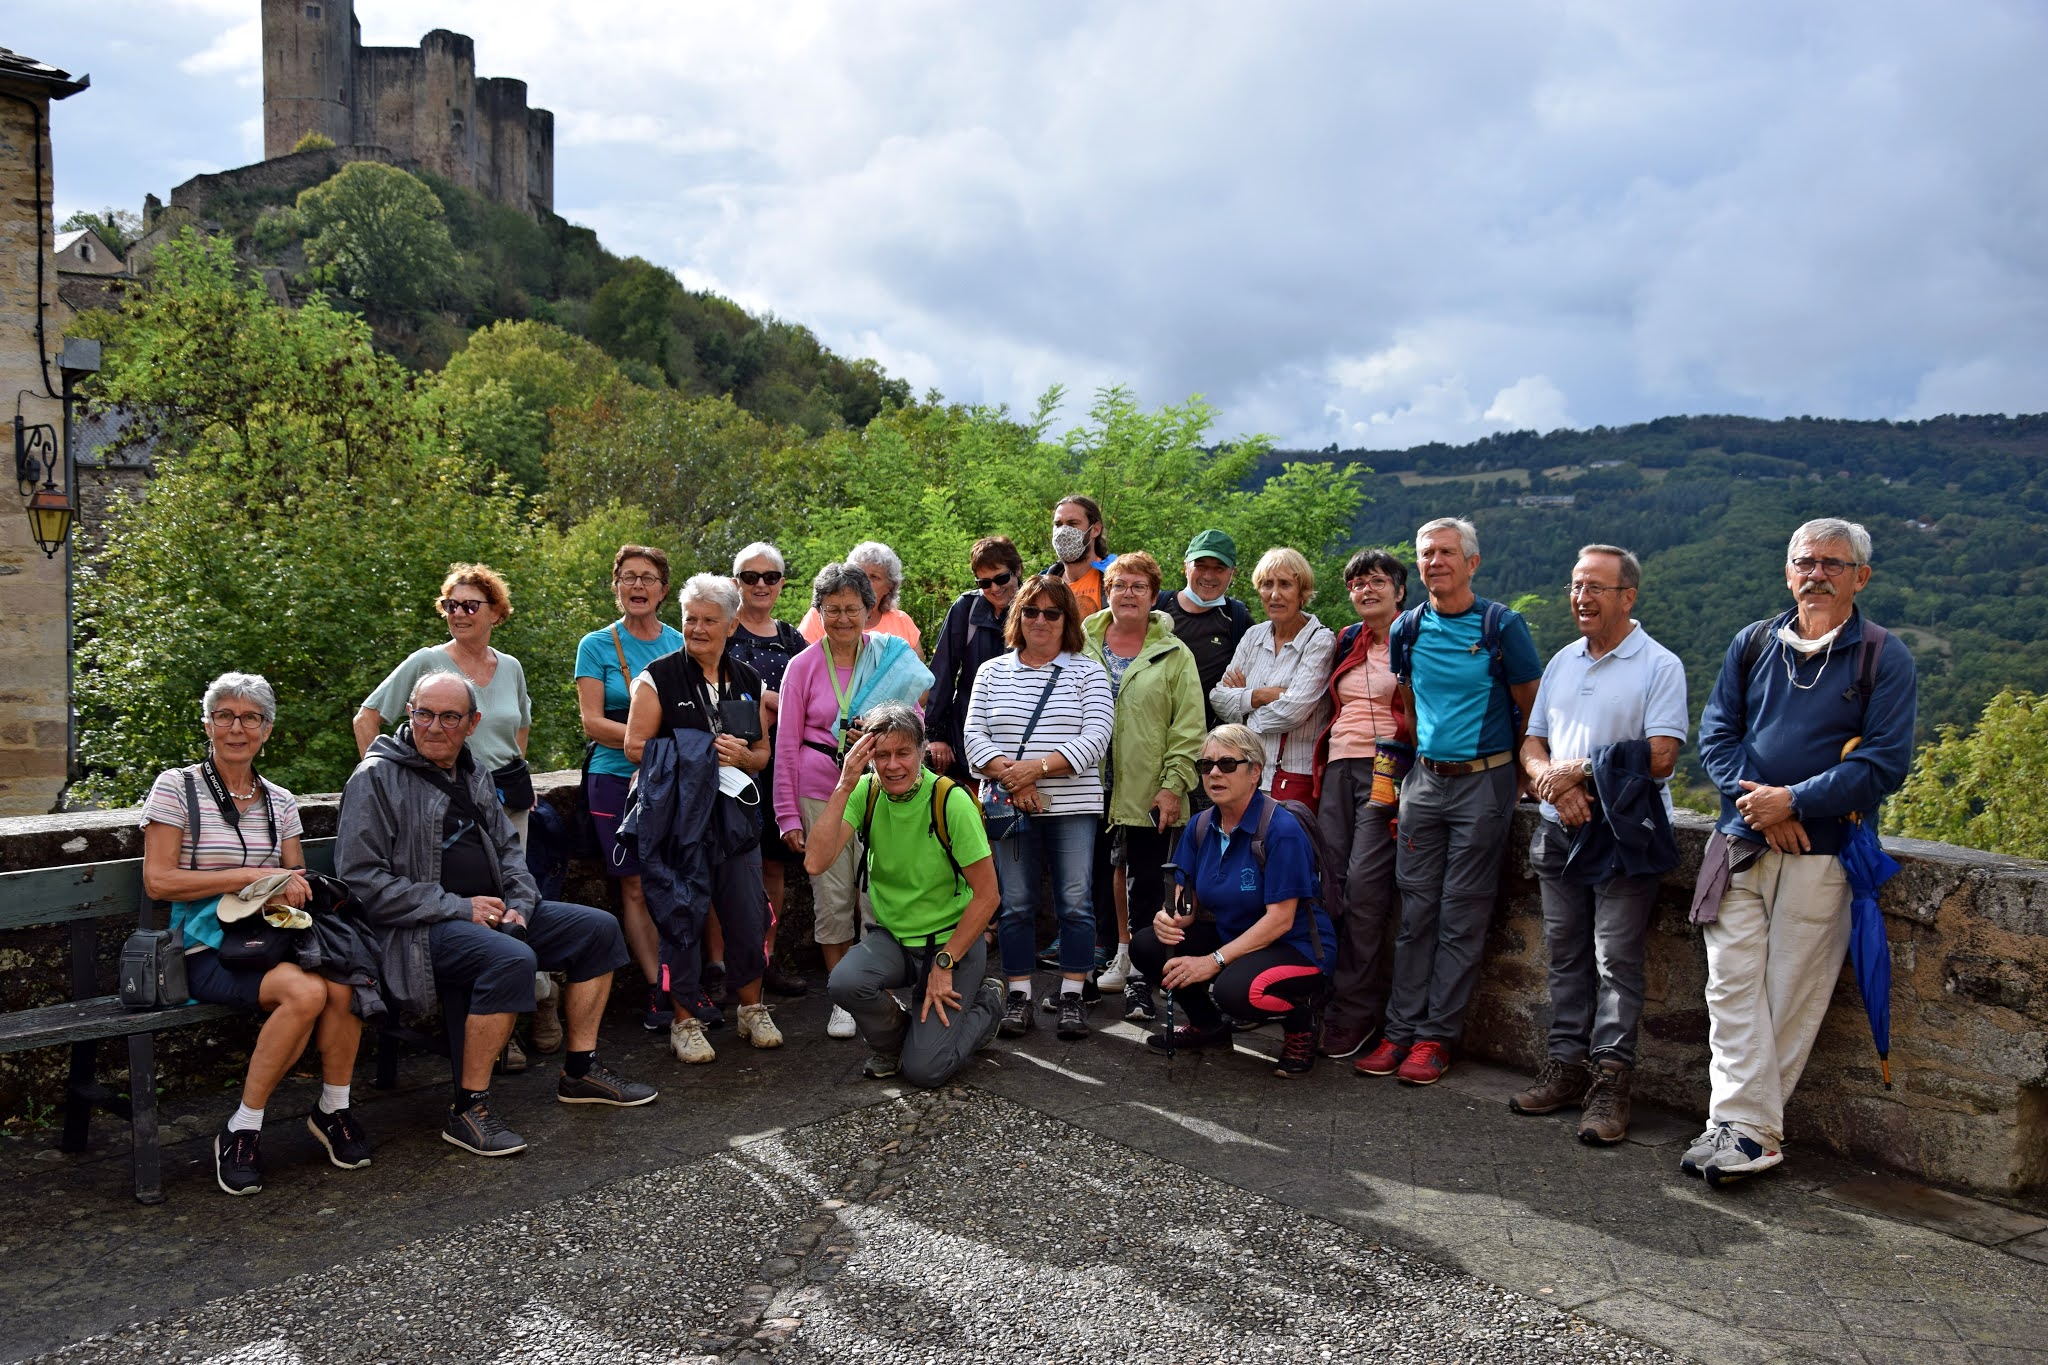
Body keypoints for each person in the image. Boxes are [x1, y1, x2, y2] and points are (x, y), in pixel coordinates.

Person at [338, 672, 656, 1158]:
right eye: (424, 713)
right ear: (409, 714)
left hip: (491, 913)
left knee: (598, 929)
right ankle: (468, 1108)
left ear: (472, 723)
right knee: (509, 959)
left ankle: (580, 1071)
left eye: (449, 717)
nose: (434, 726)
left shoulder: (474, 771)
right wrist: (459, 907)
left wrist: (521, 906)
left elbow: (511, 853)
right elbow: (362, 883)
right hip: (416, 929)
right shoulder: (376, 778)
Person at [1688, 518, 1916, 1188]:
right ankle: (1746, 1130)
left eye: (1833, 564)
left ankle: (1741, 1131)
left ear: (1860, 577)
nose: (1817, 574)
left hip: (1823, 854)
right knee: (1731, 986)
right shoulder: (1754, 642)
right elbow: (1716, 732)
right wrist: (1762, 805)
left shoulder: (1883, 655)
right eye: (1805, 562)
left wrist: (1797, 801)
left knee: (1788, 993)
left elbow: (1884, 763)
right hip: (1741, 844)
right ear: (1788, 571)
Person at [140, 673, 371, 1196]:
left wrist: (290, 888)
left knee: (346, 984)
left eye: (249, 718)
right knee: (307, 991)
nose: (236, 728)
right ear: (208, 725)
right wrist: (249, 878)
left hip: (267, 942)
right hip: (202, 948)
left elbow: (297, 883)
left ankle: (333, 1110)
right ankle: (241, 1129)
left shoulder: (280, 801)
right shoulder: (177, 787)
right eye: (225, 716)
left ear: (266, 730)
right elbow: (159, 881)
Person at [1512, 545, 1687, 1145]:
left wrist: (1578, 773)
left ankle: (1611, 1084)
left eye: (1595, 588)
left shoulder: (1659, 665)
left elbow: (1662, 757)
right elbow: (1531, 746)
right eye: (1575, 585)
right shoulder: (1562, 661)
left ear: (1627, 596)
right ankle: (1563, 1070)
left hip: (1623, 837)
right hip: (1560, 826)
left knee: (1615, 962)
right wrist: (1552, 785)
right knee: (1564, 955)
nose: (1581, 597)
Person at [1359, 518, 1541, 1086]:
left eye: (1445, 552)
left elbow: (1531, 708)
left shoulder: (1501, 626)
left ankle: (1435, 1038)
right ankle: (1398, 1031)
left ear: (1471, 562)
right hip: (1424, 783)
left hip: (1483, 783)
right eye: (1425, 554)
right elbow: (1410, 709)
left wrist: (1520, 775)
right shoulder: (1407, 628)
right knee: (1415, 915)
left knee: (1461, 916)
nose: (1434, 562)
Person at [356, 563, 549, 1067]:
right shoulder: (426, 661)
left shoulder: (509, 667)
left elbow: (520, 727)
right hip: (436, 803)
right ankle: (500, 1036)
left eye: (469, 605)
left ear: (496, 613)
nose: (458, 614)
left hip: (502, 799)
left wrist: (508, 771)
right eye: (450, 605)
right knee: (471, 911)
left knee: (515, 899)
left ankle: (535, 1002)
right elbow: (367, 716)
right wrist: (388, 780)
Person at [623, 573, 783, 1063]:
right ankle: (684, 1020)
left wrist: (743, 757)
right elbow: (633, 746)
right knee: (681, 916)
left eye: (709, 620)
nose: (696, 628)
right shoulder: (659, 676)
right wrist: (701, 751)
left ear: (731, 624)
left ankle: (751, 1008)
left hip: (735, 817)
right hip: (677, 818)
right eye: (690, 618)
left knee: (746, 914)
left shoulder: (747, 679)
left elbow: (763, 752)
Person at [776, 562, 935, 1039]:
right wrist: (787, 813)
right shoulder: (801, 666)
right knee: (832, 896)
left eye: (852, 608)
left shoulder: (892, 655)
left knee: (877, 894)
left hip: (878, 791)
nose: (843, 618)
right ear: (818, 611)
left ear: (870, 609)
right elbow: (785, 744)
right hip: (817, 790)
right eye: (832, 609)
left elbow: (915, 724)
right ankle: (842, 998)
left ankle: (875, 988)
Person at [812, 702, 1005, 1084]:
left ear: (922, 751)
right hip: (894, 939)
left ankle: (987, 1003)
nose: (892, 765)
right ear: (866, 756)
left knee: (927, 1070)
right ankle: (896, 1042)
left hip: (953, 942)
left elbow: (988, 897)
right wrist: (844, 783)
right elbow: (816, 862)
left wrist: (945, 963)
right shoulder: (865, 791)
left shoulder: (949, 799)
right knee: (844, 981)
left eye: (903, 753)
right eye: (881, 755)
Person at [1131, 725, 1335, 1077]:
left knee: (1235, 991)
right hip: (1235, 937)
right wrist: (1170, 918)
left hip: (1296, 947)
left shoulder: (1280, 829)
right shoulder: (1201, 825)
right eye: (1206, 765)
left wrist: (1213, 961)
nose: (1213, 773)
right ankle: (1208, 1029)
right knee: (1148, 944)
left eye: (1227, 764)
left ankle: (1302, 1024)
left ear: (1255, 771)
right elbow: (1184, 902)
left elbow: (1281, 921)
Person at [962, 574, 1114, 1041]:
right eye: (1031, 611)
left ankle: (1072, 992)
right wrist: (1016, 777)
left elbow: (1097, 737)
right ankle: (1019, 994)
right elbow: (972, 740)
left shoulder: (1088, 670)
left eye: (1052, 612)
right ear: (1018, 617)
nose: (1041, 620)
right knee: (1014, 905)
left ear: (1068, 620)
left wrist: (1035, 770)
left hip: (1073, 807)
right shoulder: (991, 672)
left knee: (1076, 902)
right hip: (1011, 807)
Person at [1080, 551, 1204, 1000]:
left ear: (1154, 595)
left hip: (1147, 787)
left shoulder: (1174, 653)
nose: (1127, 594)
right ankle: (1099, 967)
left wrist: (1173, 786)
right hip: (1084, 784)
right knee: (1087, 880)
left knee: (1145, 881)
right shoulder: (1080, 643)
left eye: (1137, 586)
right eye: (1118, 585)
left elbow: (1189, 726)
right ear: (1106, 592)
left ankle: (1142, 976)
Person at [575, 545, 684, 1032]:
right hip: (613, 778)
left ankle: (686, 978)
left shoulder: (682, 642)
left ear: (664, 589)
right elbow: (593, 722)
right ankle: (657, 987)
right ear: (616, 586)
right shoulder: (596, 645)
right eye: (628, 577)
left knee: (679, 880)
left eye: (648, 578)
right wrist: (651, 742)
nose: (637, 586)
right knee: (636, 886)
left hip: (672, 780)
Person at [1309, 549, 1410, 1060]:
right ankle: (1320, 997)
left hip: (1386, 770)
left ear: (1398, 589)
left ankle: (1356, 1012)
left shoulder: (1415, 638)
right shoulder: (1348, 640)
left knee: (1367, 890)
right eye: (1356, 584)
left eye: (1376, 581)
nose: (1365, 590)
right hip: (1338, 767)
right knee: (1329, 885)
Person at [724, 541, 812, 999]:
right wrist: (769, 700)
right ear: (735, 581)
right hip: (731, 764)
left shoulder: (790, 637)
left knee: (773, 868)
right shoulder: (721, 630)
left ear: (781, 583)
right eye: (750, 576)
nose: (760, 585)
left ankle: (765, 961)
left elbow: (811, 691)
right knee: (726, 867)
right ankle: (724, 969)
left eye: (770, 577)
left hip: (780, 764)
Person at [1209, 546, 1336, 805]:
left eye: (1285, 584)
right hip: (1245, 778)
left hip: (1293, 777)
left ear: (1303, 592)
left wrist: (1242, 707)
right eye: (1267, 584)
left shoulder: (1319, 641)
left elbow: (1292, 711)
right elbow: (1218, 697)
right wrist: (1260, 696)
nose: (1274, 594)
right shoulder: (1254, 635)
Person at [926, 535, 1023, 783]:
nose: (994, 588)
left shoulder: (1037, 610)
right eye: (984, 583)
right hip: (966, 739)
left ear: (1018, 570)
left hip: (1020, 739)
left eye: (1001, 578)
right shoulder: (965, 609)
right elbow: (942, 672)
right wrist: (936, 735)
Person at [1156, 529, 1253, 729]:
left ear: (1232, 573)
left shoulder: (1238, 620)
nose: (1209, 576)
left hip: (1208, 742)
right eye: (1200, 566)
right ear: (1186, 567)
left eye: (1219, 568)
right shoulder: (1157, 607)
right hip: (1150, 733)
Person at [799, 541, 922, 652]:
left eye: (874, 577)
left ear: (889, 586)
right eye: (859, 574)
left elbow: (918, 673)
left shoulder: (902, 622)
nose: (865, 582)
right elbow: (804, 665)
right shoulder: (821, 615)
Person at [1042, 494, 1116, 617]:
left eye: (1072, 524)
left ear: (1095, 529)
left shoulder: (1117, 580)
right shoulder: (1043, 585)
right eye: (1058, 524)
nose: (1063, 531)